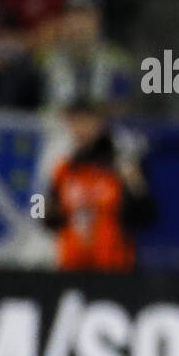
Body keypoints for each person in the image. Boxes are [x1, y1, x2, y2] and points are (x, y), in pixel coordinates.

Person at [44, 99, 157, 271]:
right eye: (74, 122)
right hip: (70, 265)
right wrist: (43, 209)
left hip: (114, 266)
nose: (80, 129)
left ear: (100, 123)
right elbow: (39, 207)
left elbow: (148, 213)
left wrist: (136, 185)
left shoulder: (122, 164)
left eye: (86, 121)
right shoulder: (63, 167)